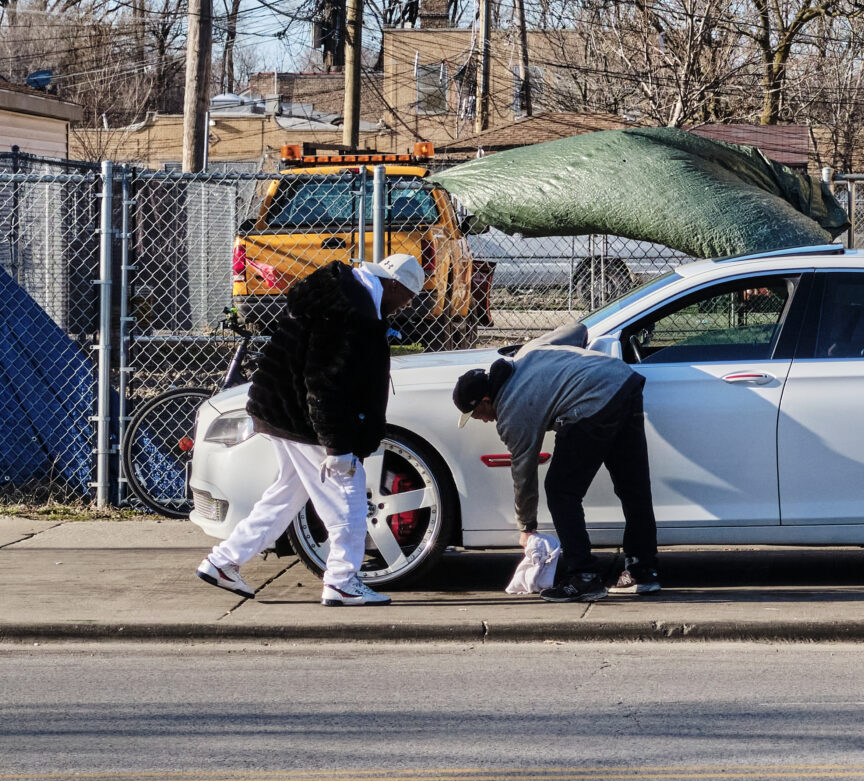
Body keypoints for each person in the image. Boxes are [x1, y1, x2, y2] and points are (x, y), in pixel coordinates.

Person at [194, 253, 425, 606]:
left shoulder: (339, 298)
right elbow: (324, 384)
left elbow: (317, 375)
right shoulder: (351, 315)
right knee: (347, 498)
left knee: (284, 497)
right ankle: (342, 581)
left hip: (280, 409)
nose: (405, 307)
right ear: (394, 285)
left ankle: (223, 561)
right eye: (407, 297)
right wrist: (337, 448)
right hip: (306, 421)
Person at [454, 335, 659, 602]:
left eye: (478, 414)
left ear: (485, 399)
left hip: (592, 402)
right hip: (623, 382)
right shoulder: (530, 351)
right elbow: (577, 329)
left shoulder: (512, 411)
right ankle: (643, 572)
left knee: (561, 491)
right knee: (634, 487)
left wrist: (526, 527)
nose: (482, 420)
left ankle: (584, 577)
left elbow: (523, 473)